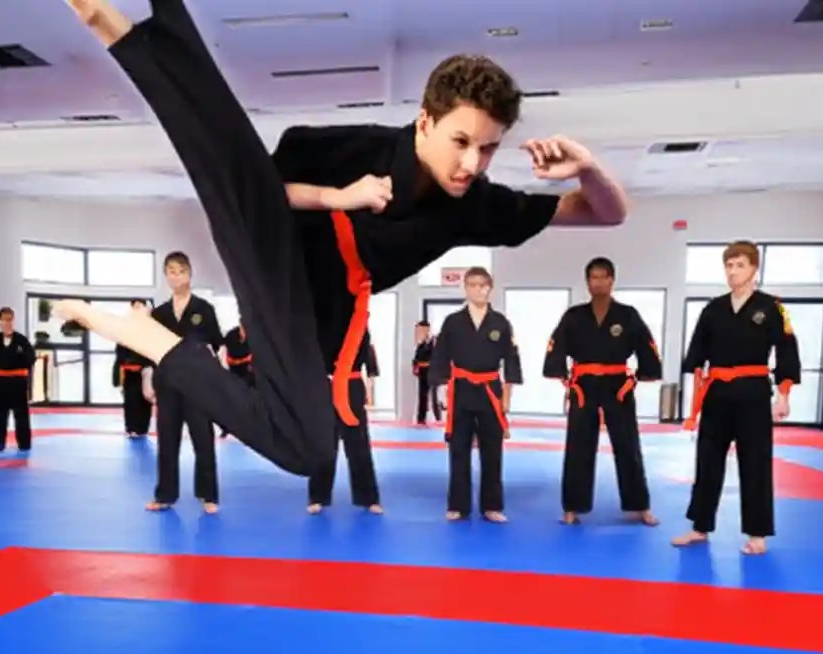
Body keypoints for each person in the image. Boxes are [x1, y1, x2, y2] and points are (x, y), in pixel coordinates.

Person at [56, 0, 629, 478]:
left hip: (313, 317)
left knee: (308, 450)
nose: (471, 163)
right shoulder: (359, 147)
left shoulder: (475, 204)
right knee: (228, 157)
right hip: (272, 250)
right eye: (461, 141)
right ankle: (111, 26)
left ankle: (157, 343)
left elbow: (605, 215)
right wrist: (336, 196)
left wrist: (588, 168)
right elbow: (262, 188)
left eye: (488, 149)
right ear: (426, 121)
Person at [672, 242, 800, 555]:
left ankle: (758, 534)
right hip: (717, 393)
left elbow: (787, 351)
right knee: (708, 460)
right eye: (729, 265)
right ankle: (700, 527)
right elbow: (697, 359)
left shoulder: (771, 307)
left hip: (753, 392)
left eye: (740, 265)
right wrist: (694, 402)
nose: (733, 271)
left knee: (755, 463)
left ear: (754, 269)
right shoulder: (713, 308)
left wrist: (783, 396)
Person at [543, 257, 662, 526]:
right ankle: (572, 507)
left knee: (628, 445)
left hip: (617, 385)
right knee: (578, 446)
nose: (598, 282)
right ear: (587, 282)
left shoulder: (628, 315)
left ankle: (640, 505)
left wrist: (647, 372)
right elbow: (556, 344)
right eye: (593, 277)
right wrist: (560, 372)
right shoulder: (574, 316)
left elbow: (647, 345)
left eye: (603, 277)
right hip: (583, 386)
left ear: (612, 280)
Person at [430, 268, 521, 522]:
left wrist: (507, 396)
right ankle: (458, 505)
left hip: (490, 390)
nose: (478, 289)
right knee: (458, 449)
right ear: (465, 288)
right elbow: (441, 356)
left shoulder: (500, 322)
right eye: (472, 284)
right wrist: (441, 389)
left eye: (482, 285)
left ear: (490, 288)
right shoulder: (453, 322)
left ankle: (492, 506)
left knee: (492, 450)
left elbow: (511, 360)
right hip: (460, 390)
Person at [146, 252, 225, 514]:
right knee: (167, 441)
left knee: (203, 439)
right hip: (168, 385)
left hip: (198, 385)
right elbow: (150, 350)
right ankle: (165, 494)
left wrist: (218, 382)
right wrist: (148, 379)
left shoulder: (204, 309)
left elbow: (217, 347)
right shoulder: (159, 313)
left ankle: (209, 494)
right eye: (170, 271)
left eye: (180, 271)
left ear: (189, 274)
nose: (175, 276)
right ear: (165, 276)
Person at [308, 332, 383, 514]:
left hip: (352, 385)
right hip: (326, 385)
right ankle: (318, 496)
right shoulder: (320, 323)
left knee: (359, 444)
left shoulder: (359, 325)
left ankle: (368, 498)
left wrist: (370, 387)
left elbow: (367, 355)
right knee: (324, 443)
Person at [0, 307, 36, 452]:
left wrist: (20, 360)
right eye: (4, 320)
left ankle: (24, 443)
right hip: (1, 383)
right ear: (0, 322)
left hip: (18, 383)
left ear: (13, 321)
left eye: (10, 319)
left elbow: (31, 358)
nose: (7, 323)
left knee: (21, 415)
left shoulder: (21, 341)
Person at [113, 299, 153, 437]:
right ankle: (131, 428)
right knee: (130, 400)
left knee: (144, 400)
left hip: (145, 370)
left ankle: (142, 428)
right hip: (129, 370)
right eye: (134, 307)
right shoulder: (126, 327)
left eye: (139, 306)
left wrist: (147, 366)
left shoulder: (151, 327)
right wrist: (120, 369)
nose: (137, 310)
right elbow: (120, 350)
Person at [217, 322, 254, 438]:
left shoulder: (256, 336)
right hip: (233, 371)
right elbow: (222, 351)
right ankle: (226, 427)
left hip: (249, 371)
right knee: (227, 398)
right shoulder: (231, 335)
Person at [412, 321, 442, 425]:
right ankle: (421, 419)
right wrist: (415, 366)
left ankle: (438, 418)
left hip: (431, 371)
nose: (419, 332)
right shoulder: (420, 343)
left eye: (421, 329)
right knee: (422, 396)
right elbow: (417, 357)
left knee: (434, 397)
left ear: (427, 329)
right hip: (422, 372)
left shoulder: (433, 341)